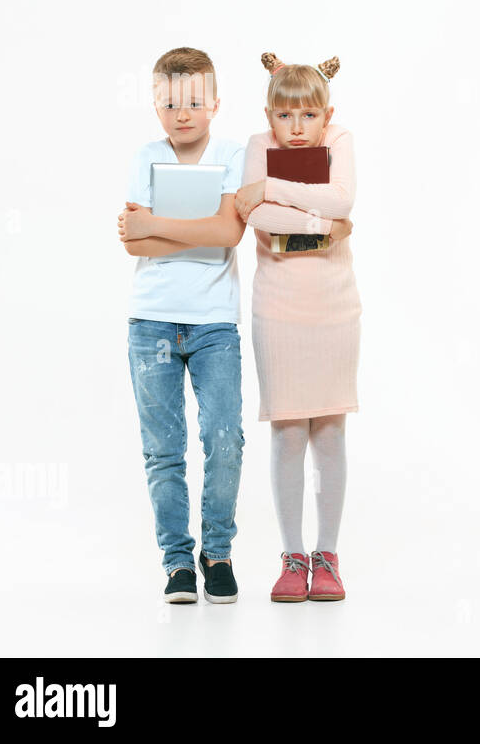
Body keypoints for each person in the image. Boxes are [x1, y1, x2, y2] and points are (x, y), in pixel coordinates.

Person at [119, 46, 246, 604]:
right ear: (155, 104)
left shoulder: (233, 153)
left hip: (214, 322)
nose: (183, 113)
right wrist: (187, 226)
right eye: (170, 102)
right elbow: (132, 242)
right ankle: (178, 564)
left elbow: (228, 234)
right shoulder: (146, 154)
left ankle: (217, 552)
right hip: (151, 321)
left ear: (215, 102)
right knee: (163, 449)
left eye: (195, 101)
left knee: (224, 439)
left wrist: (157, 224)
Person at [235, 53, 359, 603]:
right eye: (285, 117)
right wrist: (324, 225)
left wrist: (274, 189)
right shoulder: (257, 146)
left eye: (309, 116)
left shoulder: (343, 140)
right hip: (278, 307)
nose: (297, 128)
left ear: (325, 116)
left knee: (329, 431)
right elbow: (254, 215)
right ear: (270, 115)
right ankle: (291, 556)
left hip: (334, 306)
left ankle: (327, 554)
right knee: (288, 433)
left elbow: (344, 199)